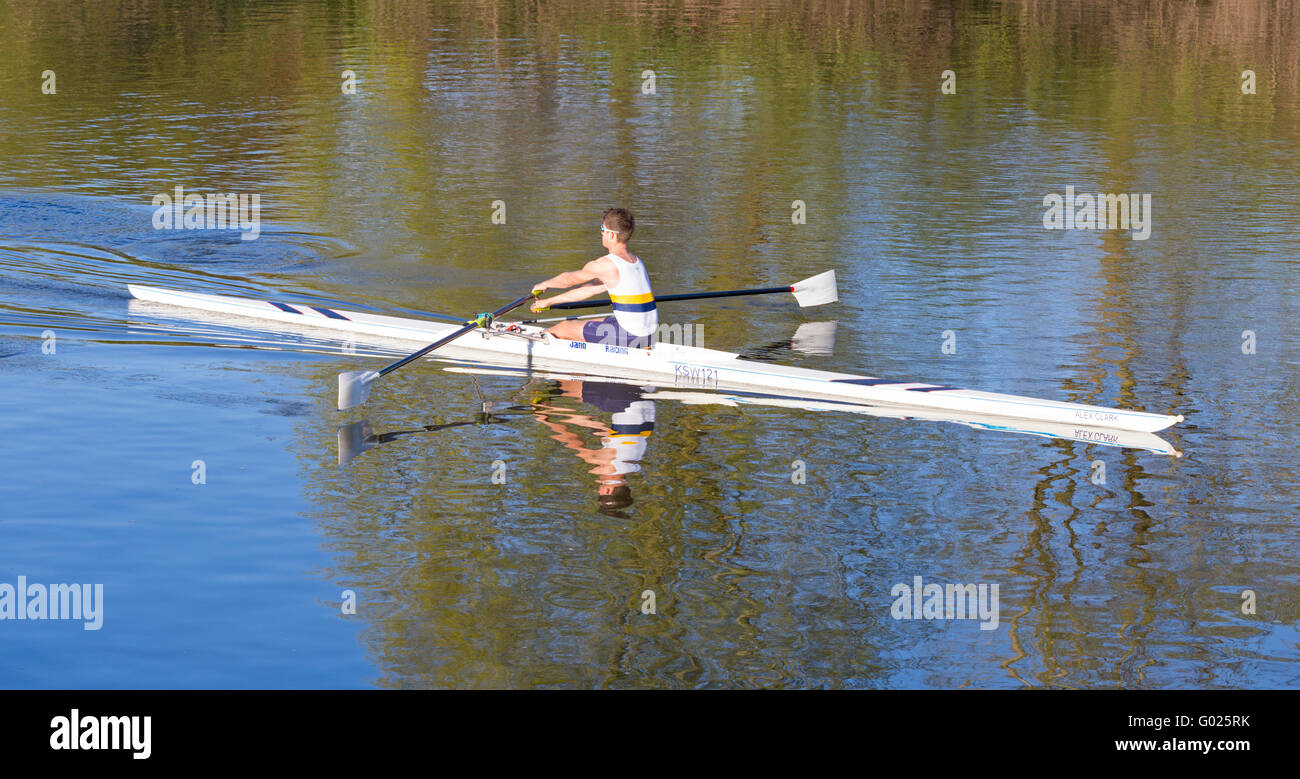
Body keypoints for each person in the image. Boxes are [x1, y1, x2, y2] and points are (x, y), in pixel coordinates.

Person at [531, 208, 657, 348]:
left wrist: (544, 284)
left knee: (564, 327)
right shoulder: (636, 261)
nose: (601, 232)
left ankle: (534, 347)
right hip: (649, 334)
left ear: (612, 235)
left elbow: (569, 280)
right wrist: (548, 302)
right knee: (597, 322)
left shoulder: (605, 265)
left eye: (603, 228)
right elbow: (588, 290)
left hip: (630, 335)